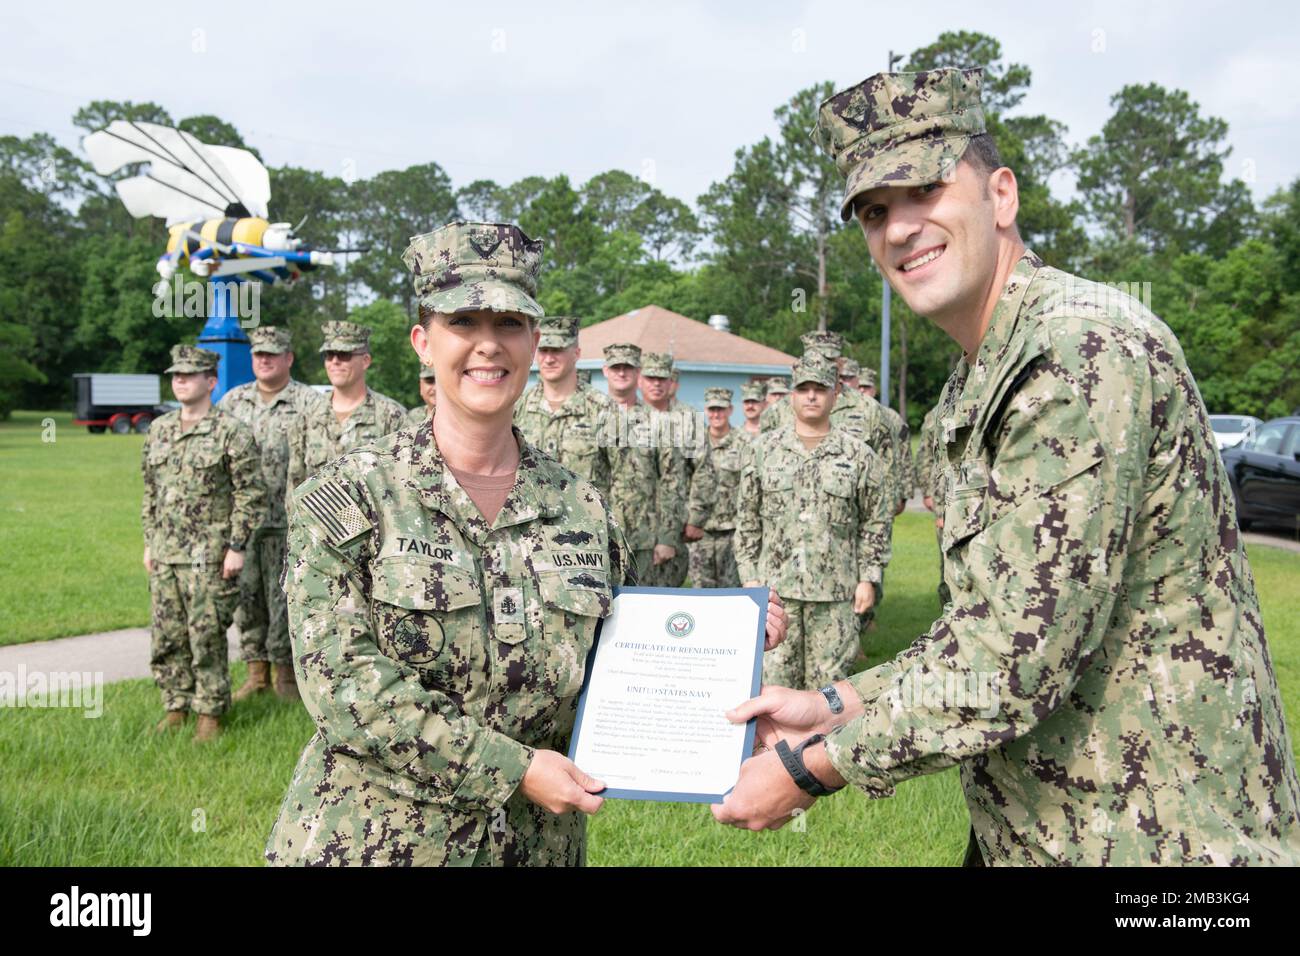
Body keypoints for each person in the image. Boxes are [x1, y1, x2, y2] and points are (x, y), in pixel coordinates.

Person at [713, 68, 1300, 865]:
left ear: (1001, 194)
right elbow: (982, 623)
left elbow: (1009, 661)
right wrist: (833, 701)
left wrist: (812, 767)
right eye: (874, 211)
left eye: (923, 190)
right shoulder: (977, 381)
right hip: (1042, 827)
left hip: (1154, 843)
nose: (897, 228)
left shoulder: (1078, 353)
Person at [735, 353, 892, 690]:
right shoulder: (763, 451)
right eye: (803, 388)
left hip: (836, 594)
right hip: (776, 594)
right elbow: (747, 521)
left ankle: (824, 746)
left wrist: (869, 578)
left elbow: (875, 523)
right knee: (774, 686)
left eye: (819, 389)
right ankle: (771, 747)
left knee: (829, 692)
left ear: (835, 393)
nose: (810, 396)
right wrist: (749, 579)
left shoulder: (858, 455)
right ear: (791, 394)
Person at [141, 345, 266, 741]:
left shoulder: (231, 432)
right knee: (167, 635)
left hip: (209, 556)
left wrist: (237, 545)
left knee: (206, 635)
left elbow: (251, 494)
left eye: (189, 374)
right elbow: (150, 492)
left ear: (210, 382)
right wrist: (149, 543)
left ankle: (210, 713)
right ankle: (176, 705)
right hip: (165, 553)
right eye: (175, 374)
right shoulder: (159, 430)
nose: (179, 380)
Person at [221, 325, 326, 702]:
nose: (263, 360)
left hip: (290, 523)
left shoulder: (310, 403)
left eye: (271, 354)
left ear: (288, 358)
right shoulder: (233, 402)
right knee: (247, 601)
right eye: (257, 354)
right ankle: (256, 673)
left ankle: (286, 674)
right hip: (245, 524)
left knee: (287, 599)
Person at [284, 320, 407, 499]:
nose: (335, 361)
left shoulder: (392, 416)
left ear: (365, 361)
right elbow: (295, 485)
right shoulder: (307, 416)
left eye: (344, 355)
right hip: (317, 524)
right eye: (329, 354)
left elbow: (403, 487)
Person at [600, 343, 677, 583]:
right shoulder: (591, 416)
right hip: (597, 534)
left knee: (642, 610)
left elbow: (672, 481)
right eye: (616, 367)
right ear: (605, 371)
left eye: (628, 367)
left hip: (644, 538)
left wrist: (667, 537)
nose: (622, 373)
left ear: (638, 373)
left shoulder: (659, 422)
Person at [514, 314, 615, 492]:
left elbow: (625, 481)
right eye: (544, 350)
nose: (549, 359)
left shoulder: (603, 409)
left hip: (587, 518)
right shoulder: (518, 407)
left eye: (557, 350)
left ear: (576, 354)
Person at [638, 352, 714, 587]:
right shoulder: (628, 417)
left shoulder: (688, 418)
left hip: (675, 523)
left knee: (667, 593)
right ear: (640, 380)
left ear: (671, 382)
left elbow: (704, 469)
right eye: (651, 378)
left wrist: (697, 517)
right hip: (635, 523)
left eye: (662, 379)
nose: (657, 384)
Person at [688, 387, 745, 588]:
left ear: (730, 410)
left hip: (732, 531)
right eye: (712, 409)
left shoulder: (744, 443)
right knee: (700, 592)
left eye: (721, 409)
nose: (716, 414)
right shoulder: (693, 443)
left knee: (732, 593)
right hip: (700, 532)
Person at [859, 365, 912, 515]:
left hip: (884, 491)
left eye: (866, 387)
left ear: (874, 390)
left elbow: (904, 454)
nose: (862, 391)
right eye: (859, 386)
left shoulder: (891, 418)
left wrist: (904, 495)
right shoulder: (843, 417)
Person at [914, 403, 950, 608]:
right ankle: (949, 615)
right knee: (949, 564)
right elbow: (926, 455)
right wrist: (928, 492)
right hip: (946, 500)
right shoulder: (937, 414)